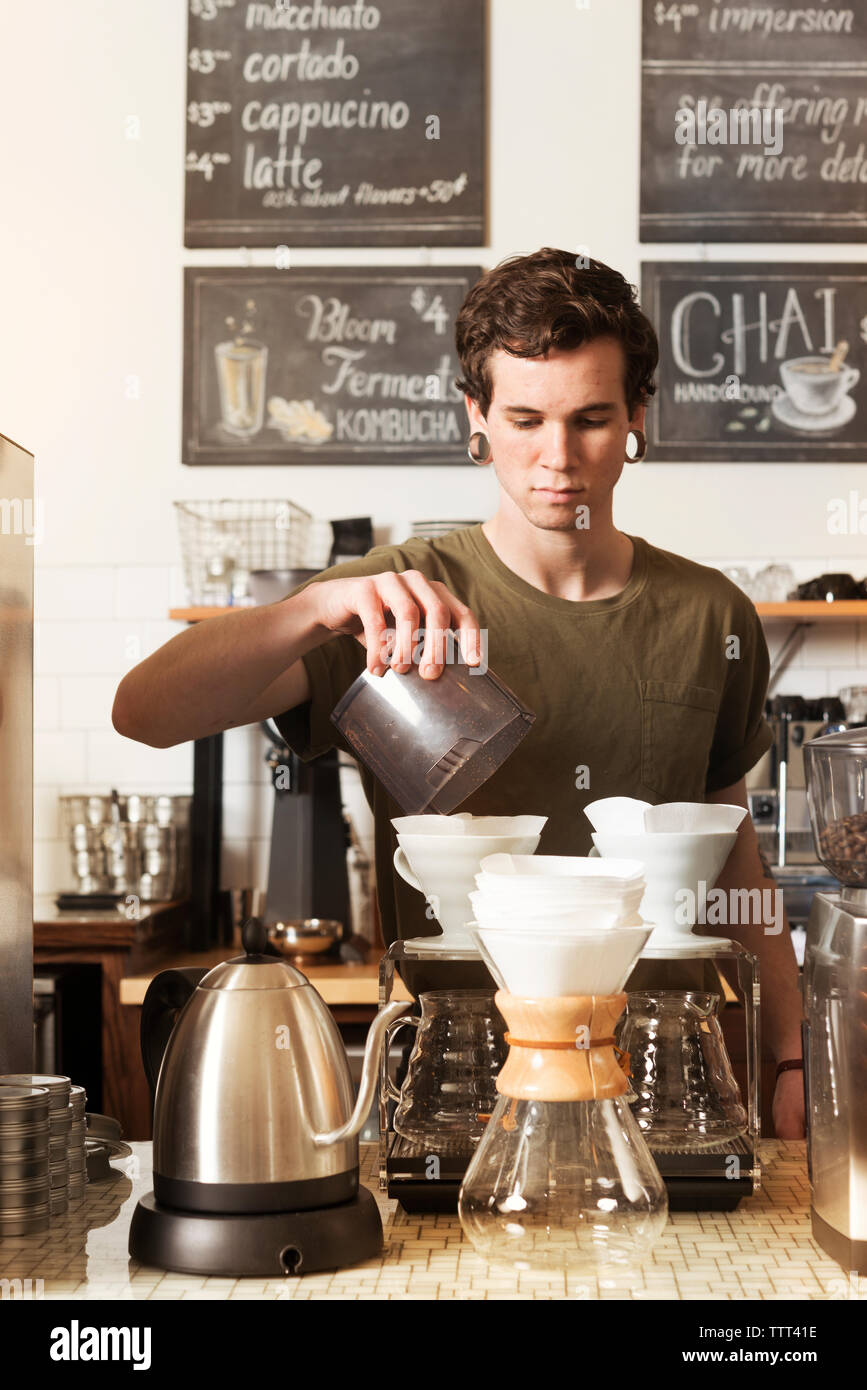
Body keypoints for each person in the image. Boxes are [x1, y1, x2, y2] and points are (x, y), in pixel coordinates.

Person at [113, 247, 805, 1138]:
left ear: (638, 416)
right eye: (524, 417)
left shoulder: (709, 611)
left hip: (661, 1080)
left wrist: (786, 1055)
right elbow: (144, 714)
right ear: (475, 416)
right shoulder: (391, 600)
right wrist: (314, 607)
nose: (557, 458)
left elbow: (735, 854)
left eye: (591, 418)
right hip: (455, 1080)